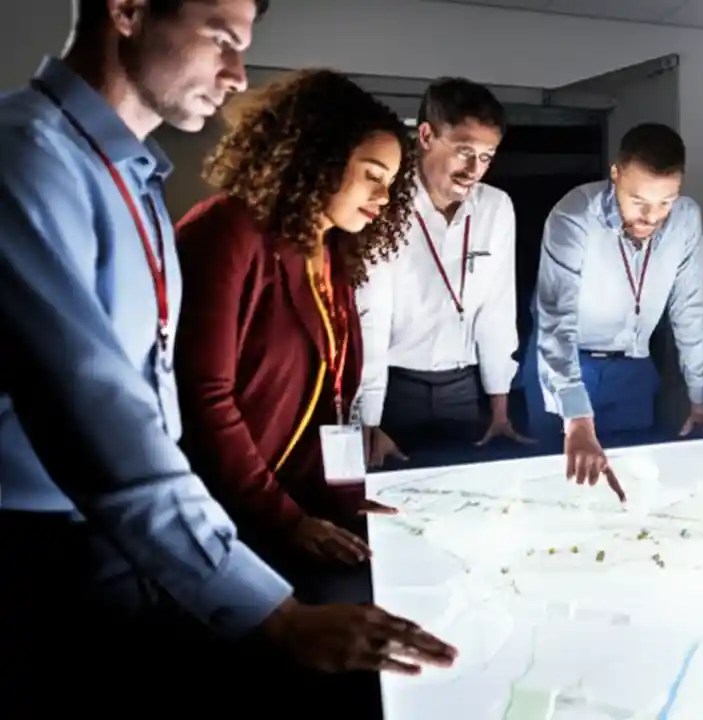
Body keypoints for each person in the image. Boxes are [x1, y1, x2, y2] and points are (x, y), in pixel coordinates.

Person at [0, 3, 453, 711]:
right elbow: (109, 424)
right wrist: (273, 610)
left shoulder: (137, 185)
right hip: (49, 555)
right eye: (220, 39)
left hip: (149, 547)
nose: (238, 74)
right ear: (125, 9)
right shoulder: (25, 157)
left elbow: (178, 410)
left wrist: (334, 503)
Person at [174, 69, 414, 568]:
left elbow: (336, 403)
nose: (384, 197)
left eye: (390, 182)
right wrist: (283, 516)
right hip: (223, 516)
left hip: (296, 512)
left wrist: (345, 502)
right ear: (317, 158)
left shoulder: (334, 253)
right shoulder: (226, 231)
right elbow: (204, 398)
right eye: (372, 174)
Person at [524, 123, 703, 497]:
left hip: (633, 370)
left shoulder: (687, 218)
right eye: (639, 201)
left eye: (666, 202)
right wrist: (577, 417)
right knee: (559, 490)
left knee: (631, 489)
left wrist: (698, 396)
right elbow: (555, 322)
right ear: (615, 174)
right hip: (565, 364)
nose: (652, 217)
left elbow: (689, 308)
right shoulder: (574, 215)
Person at [357, 78, 527, 467]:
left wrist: (499, 406)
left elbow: (498, 310)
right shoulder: (385, 202)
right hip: (394, 387)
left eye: (486, 157)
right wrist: (368, 419)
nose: (474, 169)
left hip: (463, 388)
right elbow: (371, 319)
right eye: (464, 151)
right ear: (427, 135)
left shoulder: (496, 208)